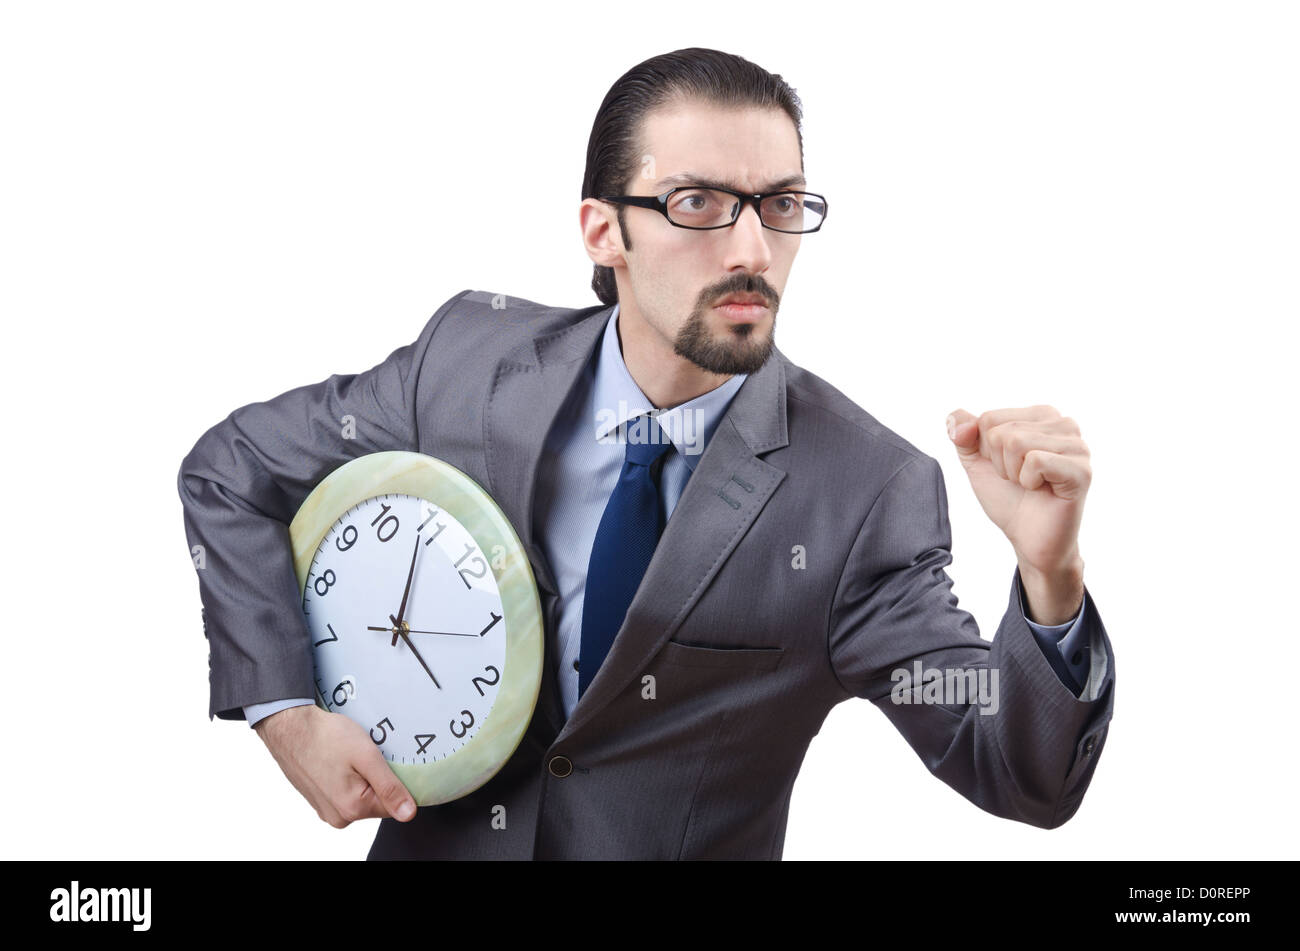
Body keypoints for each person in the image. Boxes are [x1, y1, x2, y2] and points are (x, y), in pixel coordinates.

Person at [177, 48, 1114, 860]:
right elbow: (234, 470)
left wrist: (1051, 577)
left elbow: (1018, 770)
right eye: (698, 202)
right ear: (602, 230)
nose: (752, 246)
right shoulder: (467, 360)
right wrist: (286, 712)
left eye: (780, 203)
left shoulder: (862, 494)